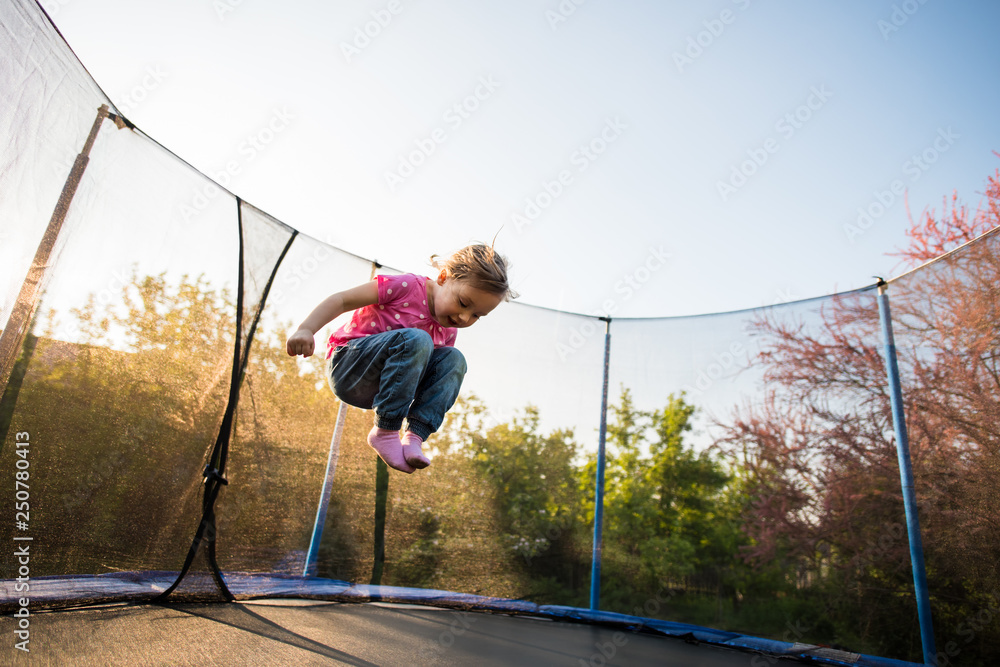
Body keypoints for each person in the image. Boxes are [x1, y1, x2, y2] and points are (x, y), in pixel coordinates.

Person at [286, 244, 514, 473]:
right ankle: (385, 431)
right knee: (418, 339)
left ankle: (414, 437)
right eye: (463, 303)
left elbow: (430, 380)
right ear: (444, 278)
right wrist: (306, 329)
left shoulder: (448, 329)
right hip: (350, 367)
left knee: (454, 359)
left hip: (382, 390)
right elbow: (343, 300)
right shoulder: (407, 287)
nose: (464, 317)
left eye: (477, 315)